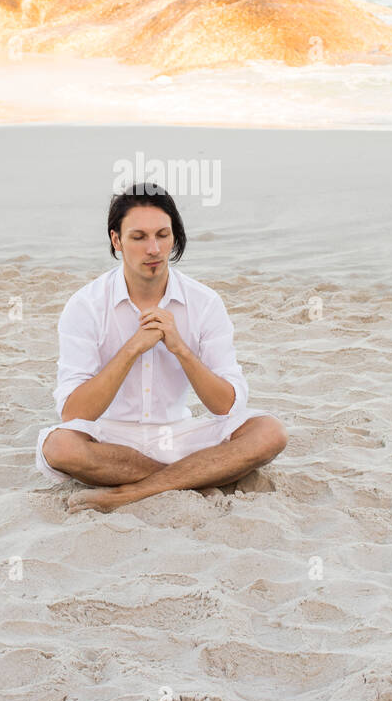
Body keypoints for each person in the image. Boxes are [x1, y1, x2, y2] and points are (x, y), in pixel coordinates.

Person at [35, 181, 287, 512]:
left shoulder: (205, 302)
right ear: (117, 240)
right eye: (138, 237)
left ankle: (128, 494)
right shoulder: (85, 305)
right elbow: (73, 412)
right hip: (110, 442)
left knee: (269, 432)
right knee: (60, 446)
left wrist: (180, 348)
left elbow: (227, 407)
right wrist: (131, 349)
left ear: (174, 237)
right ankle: (190, 480)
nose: (153, 248)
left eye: (162, 235)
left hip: (179, 437)